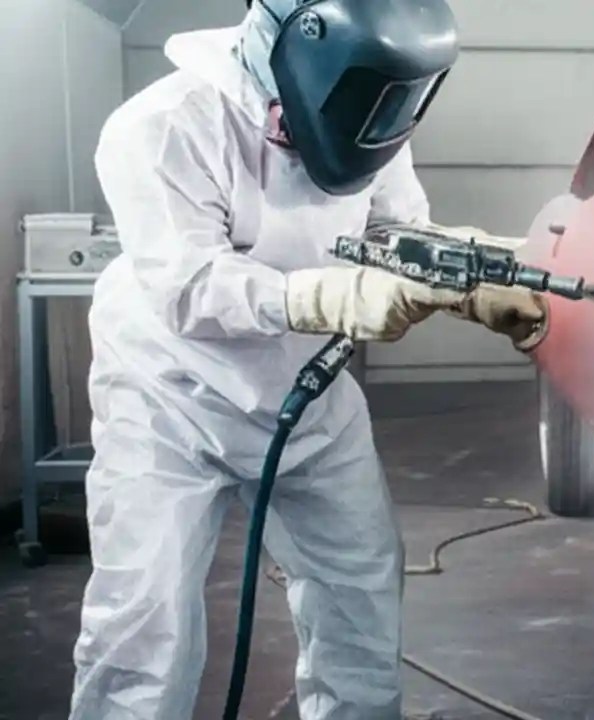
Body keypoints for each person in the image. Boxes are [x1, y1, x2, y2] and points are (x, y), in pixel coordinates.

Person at [68, 0, 548, 717]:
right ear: (297, 60)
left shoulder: (371, 119)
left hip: (307, 392)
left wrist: (468, 277)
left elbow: (392, 229)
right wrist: (326, 297)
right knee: (144, 619)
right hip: (168, 400)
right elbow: (189, 286)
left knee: (359, 586)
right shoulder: (161, 127)